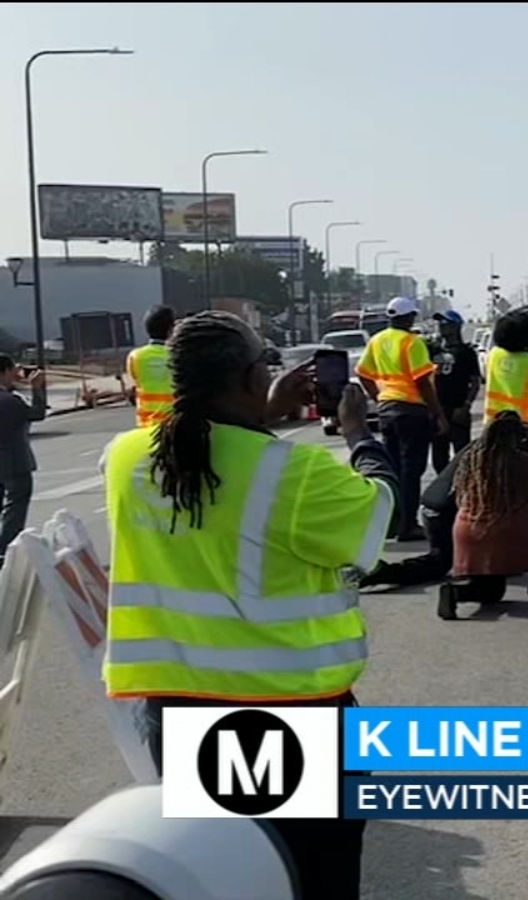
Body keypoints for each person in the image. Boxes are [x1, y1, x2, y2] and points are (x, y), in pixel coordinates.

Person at [100, 310, 400, 899]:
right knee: (316, 877)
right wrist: (360, 433)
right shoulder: (293, 469)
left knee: (227, 876)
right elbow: (376, 514)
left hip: (177, 710)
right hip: (289, 713)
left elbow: (213, 461)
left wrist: (260, 416)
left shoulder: (125, 457)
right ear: (245, 377)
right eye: (265, 362)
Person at [361, 417, 528, 611]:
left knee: (484, 586)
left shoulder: (473, 456)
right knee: (443, 562)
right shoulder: (514, 461)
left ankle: (452, 592)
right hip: (452, 516)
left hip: (442, 514)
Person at [440, 411, 528, 618]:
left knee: (492, 592)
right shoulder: (521, 461)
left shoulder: (472, 461)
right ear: (517, 437)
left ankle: (455, 593)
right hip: (510, 532)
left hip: (470, 534)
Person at [357, 297, 447, 542]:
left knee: (394, 470)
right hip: (412, 412)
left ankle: (394, 522)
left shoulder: (376, 341)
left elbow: (362, 374)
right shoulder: (411, 342)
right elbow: (422, 382)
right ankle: (408, 525)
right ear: (408, 318)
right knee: (412, 471)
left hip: (387, 411)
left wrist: (379, 398)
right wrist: (438, 414)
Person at [0, 356, 49, 566]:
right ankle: (6, 550)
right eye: (12, 371)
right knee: (15, 507)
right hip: (14, 462)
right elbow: (37, 414)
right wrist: (37, 388)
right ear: (4, 372)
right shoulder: (11, 401)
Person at [426, 310, 482, 475]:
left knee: (462, 456)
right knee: (439, 458)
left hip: (458, 408)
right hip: (438, 409)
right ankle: (444, 492)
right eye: (440, 324)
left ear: (457, 327)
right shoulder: (433, 350)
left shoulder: (466, 352)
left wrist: (465, 406)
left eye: (447, 324)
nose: (442, 327)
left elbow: (475, 382)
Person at [126, 306, 176, 428]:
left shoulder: (135, 357)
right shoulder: (178, 355)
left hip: (145, 425)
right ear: (171, 329)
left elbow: (135, 382)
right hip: (174, 426)